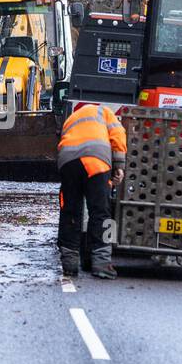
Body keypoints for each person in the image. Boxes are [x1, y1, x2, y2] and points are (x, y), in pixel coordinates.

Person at [57, 102, 127, 279]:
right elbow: (118, 135)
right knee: (100, 212)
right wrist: (118, 166)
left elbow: (62, 142)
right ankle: (102, 264)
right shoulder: (104, 112)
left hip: (68, 161)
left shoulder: (71, 119)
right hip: (96, 161)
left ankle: (69, 265)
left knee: (70, 211)